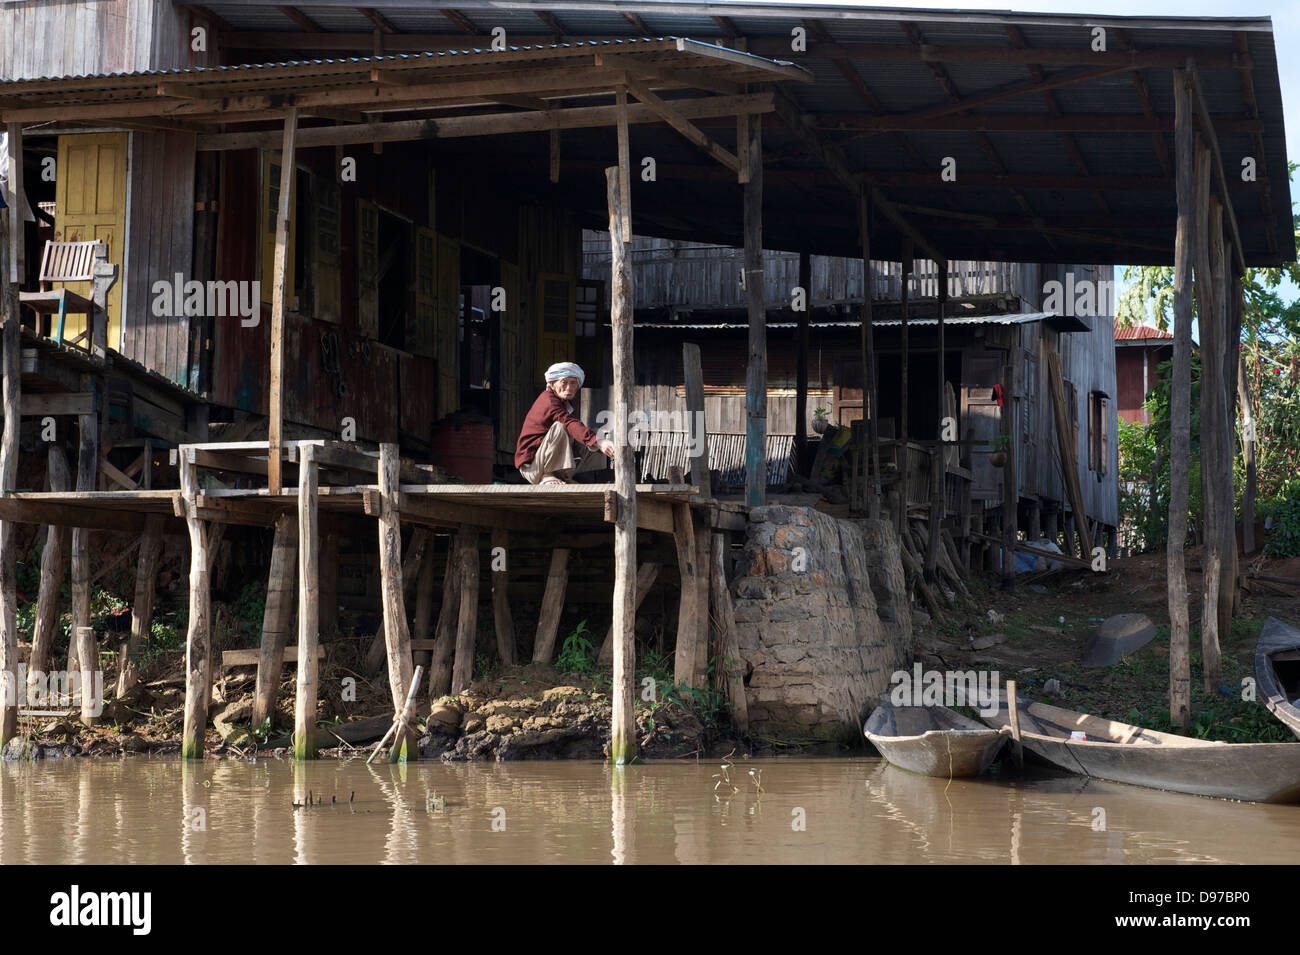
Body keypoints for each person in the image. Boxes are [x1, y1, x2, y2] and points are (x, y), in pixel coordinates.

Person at [515, 361, 615, 484]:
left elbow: (576, 429)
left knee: (594, 435)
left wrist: (599, 442)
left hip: (555, 466)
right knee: (561, 427)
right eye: (564, 382)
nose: (569, 388)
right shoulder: (549, 400)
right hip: (533, 467)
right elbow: (569, 422)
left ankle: (567, 477)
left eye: (573, 383)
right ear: (552, 384)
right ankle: (546, 475)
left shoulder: (569, 403)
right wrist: (597, 441)